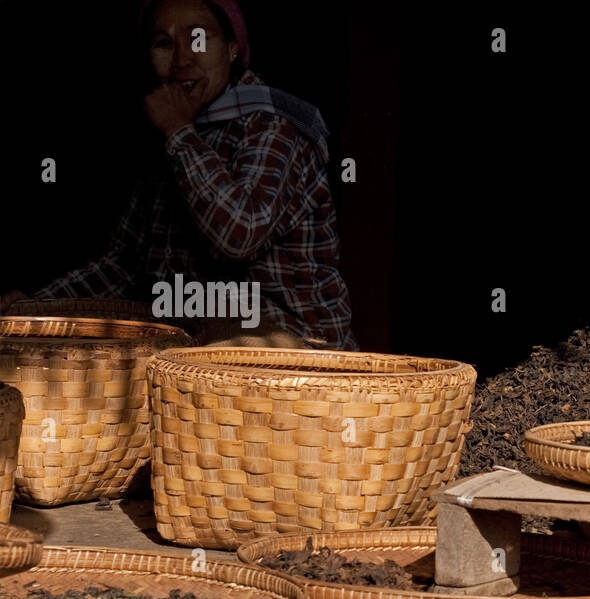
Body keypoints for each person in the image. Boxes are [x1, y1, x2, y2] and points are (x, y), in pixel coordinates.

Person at [0, 0, 358, 350]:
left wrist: (178, 132)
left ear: (233, 49)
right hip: (200, 344)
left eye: (199, 38)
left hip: (297, 351)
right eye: (163, 43)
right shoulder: (176, 130)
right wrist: (37, 307)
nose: (182, 59)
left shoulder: (272, 125)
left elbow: (240, 236)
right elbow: (124, 262)